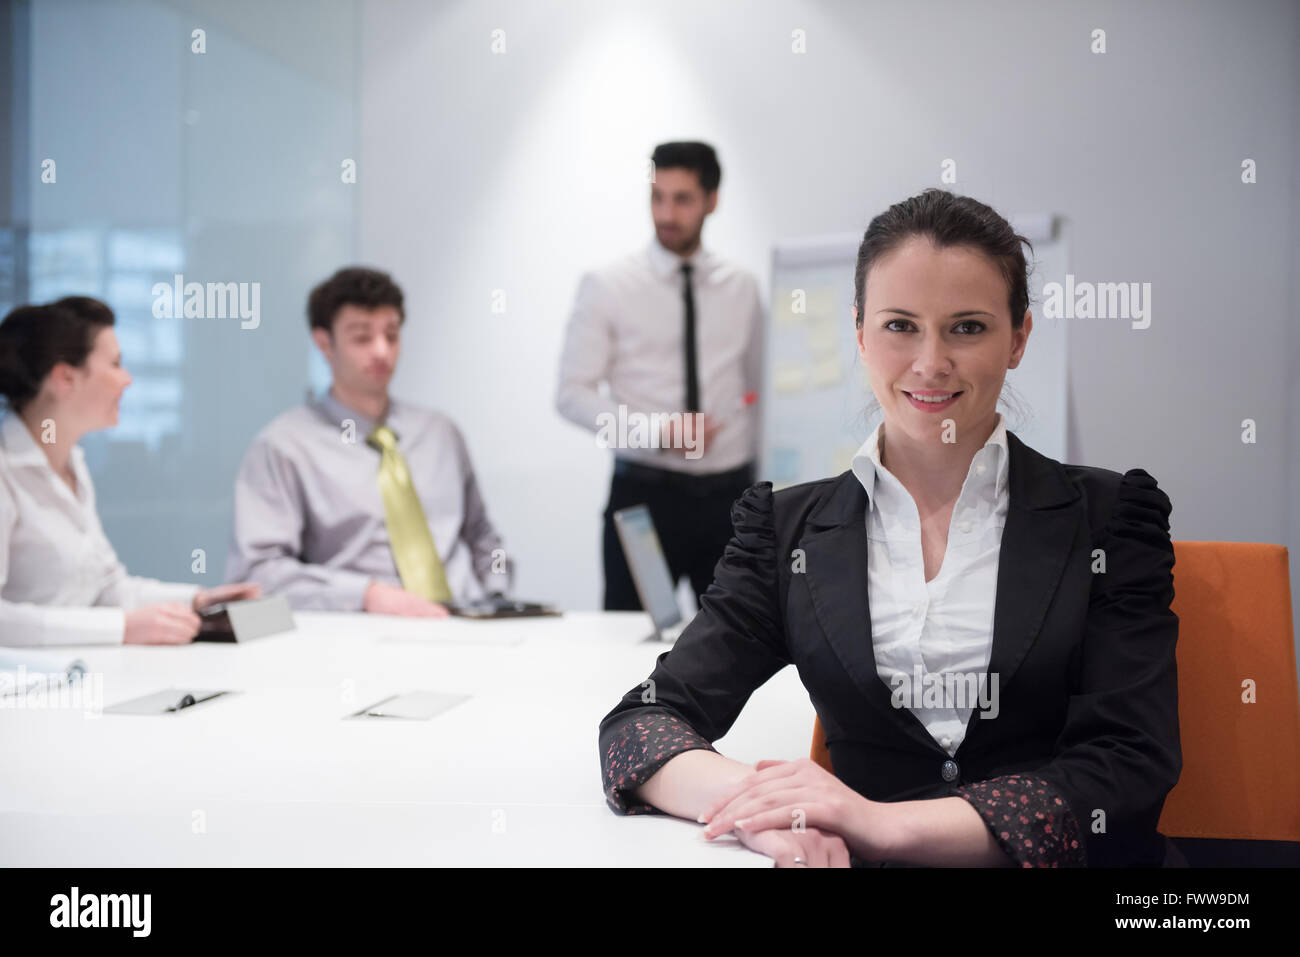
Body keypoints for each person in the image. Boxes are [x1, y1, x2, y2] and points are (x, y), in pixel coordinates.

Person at [597, 189, 1182, 868]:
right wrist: (762, 807)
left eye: (967, 327)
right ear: (859, 334)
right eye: (900, 325)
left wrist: (880, 823)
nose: (930, 362)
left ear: (1019, 337)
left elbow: (1130, 762)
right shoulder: (786, 533)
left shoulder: (1111, 518)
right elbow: (640, 724)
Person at [225, 266, 512, 615]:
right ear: (324, 343)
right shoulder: (283, 446)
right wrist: (367, 596)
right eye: (362, 337)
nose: (381, 351)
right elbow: (258, 574)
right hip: (357, 636)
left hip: (466, 624)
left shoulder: (441, 434)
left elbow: (483, 537)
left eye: (391, 335)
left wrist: (498, 596)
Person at [556, 141, 765, 610]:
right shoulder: (608, 286)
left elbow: (759, 391)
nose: (666, 213)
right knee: (630, 640)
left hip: (730, 501)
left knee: (741, 641)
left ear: (712, 200)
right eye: (657, 197)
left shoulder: (742, 289)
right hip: (645, 500)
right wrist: (658, 433)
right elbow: (571, 394)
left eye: (683, 198)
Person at [0, 297, 260, 647]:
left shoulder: (72, 464)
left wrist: (196, 600)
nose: (127, 379)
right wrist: (122, 629)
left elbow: (107, 587)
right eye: (116, 364)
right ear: (64, 378)